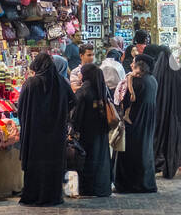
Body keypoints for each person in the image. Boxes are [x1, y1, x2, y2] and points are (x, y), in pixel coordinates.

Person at [18, 49, 75, 206]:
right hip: (56, 133)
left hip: (34, 133)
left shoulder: (31, 83)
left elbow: (20, 107)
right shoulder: (62, 82)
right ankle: (53, 195)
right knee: (53, 163)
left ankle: (33, 195)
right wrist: (61, 115)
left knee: (35, 164)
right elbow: (73, 101)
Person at [114, 53, 158, 193]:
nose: (132, 65)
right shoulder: (152, 80)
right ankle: (145, 183)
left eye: (134, 62)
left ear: (140, 66)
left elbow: (124, 102)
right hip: (146, 123)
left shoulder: (135, 82)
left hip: (134, 123)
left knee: (130, 153)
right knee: (145, 152)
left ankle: (129, 185)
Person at [70, 62, 113, 197]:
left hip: (86, 133)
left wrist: (73, 130)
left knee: (87, 160)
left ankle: (88, 188)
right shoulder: (100, 87)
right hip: (100, 131)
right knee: (100, 159)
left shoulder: (84, 90)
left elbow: (76, 113)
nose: (79, 74)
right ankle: (102, 187)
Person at [148, 43, 181, 179]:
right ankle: (171, 166)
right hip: (174, 117)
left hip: (159, 117)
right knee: (172, 140)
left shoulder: (156, 76)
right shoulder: (177, 75)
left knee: (158, 139)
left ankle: (155, 165)